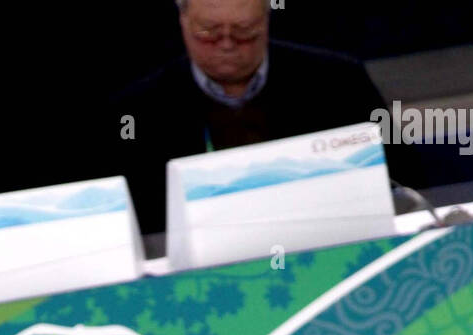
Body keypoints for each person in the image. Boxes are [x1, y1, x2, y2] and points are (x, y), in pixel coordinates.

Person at [108, 0, 429, 239]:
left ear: (266, 20)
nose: (227, 43)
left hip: (327, 245)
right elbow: (131, 226)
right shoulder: (137, 110)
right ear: (182, 20)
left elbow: (406, 183)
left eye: (244, 31)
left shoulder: (339, 82)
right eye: (208, 32)